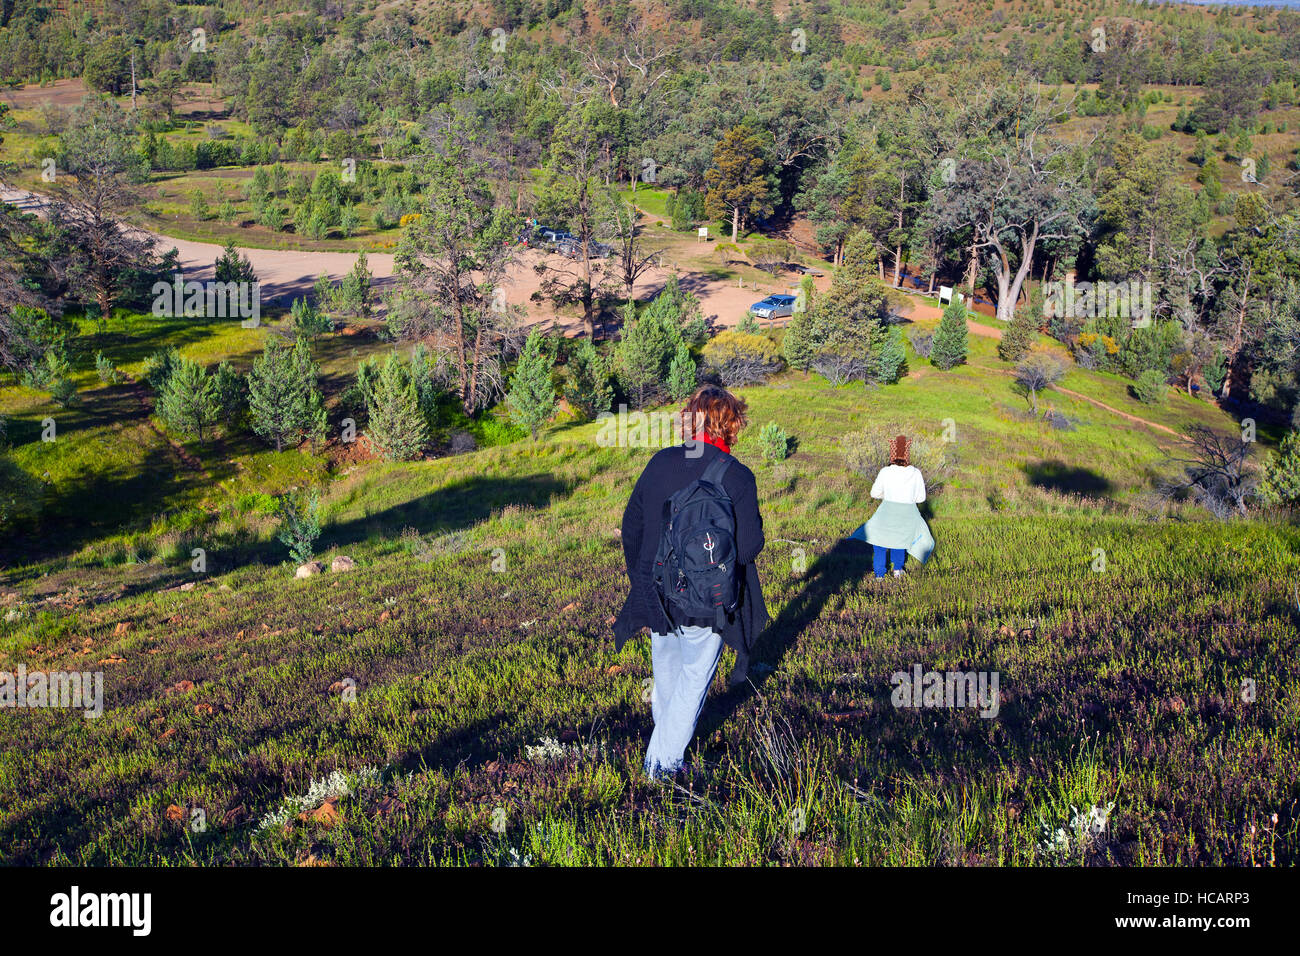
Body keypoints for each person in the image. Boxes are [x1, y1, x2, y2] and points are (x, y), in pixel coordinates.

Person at [613, 385, 768, 778]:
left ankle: (661, 749)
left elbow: (631, 528)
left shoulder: (659, 463)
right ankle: (661, 768)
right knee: (693, 679)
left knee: (666, 678)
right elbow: (750, 548)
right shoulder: (737, 476)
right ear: (730, 424)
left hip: (655, 594)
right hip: (706, 601)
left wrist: (642, 580)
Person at [852, 434, 934, 578]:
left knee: (879, 540)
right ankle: (897, 569)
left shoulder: (885, 471)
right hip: (908, 512)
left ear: (892, 454)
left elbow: (874, 493)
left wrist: (889, 496)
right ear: (908, 455)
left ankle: (879, 574)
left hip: (887, 510)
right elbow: (921, 498)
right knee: (900, 539)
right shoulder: (915, 473)